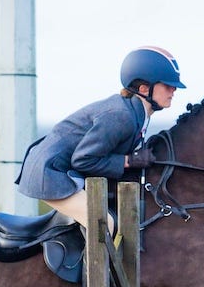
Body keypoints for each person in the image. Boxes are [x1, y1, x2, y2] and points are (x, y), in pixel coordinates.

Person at [15, 46, 186, 231]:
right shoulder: (122, 116)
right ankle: (92, 261)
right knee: (105, 225)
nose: (173, 90)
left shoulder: (138, 114)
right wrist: (129, 161)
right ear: (144, 89)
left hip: (65, 170)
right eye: (168, 85)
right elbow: (83, 160)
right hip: (51, 174)